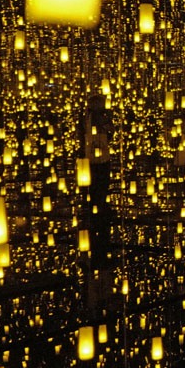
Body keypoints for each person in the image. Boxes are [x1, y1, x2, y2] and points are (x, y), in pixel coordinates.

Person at [82, 94, 113, 311]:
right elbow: (105, 132)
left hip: (94, 159)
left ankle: (97, 210)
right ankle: (99, 213)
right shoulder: (95, 118)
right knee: (99, 187)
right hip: (98, 160)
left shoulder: (88, 118)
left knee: (97, 189)